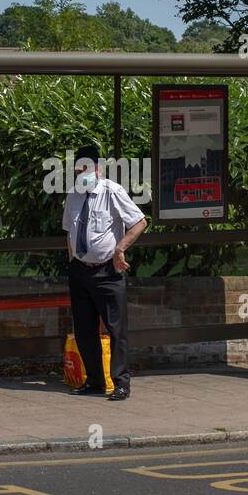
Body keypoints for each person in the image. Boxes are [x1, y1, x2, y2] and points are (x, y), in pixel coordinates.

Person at [62, 144, 147, 400]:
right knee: (84, 330)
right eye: (78, 170)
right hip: (80, 272)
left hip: (107, 271)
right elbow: (69, 230)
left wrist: (120, 249)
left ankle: (121, 383)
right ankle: (95, 381)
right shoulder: (73, 195)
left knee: (116, 329)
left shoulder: (112, 191)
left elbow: (139, 222)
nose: (82, 174)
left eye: (86, 168)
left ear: (97, 169)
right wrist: (72, 260)